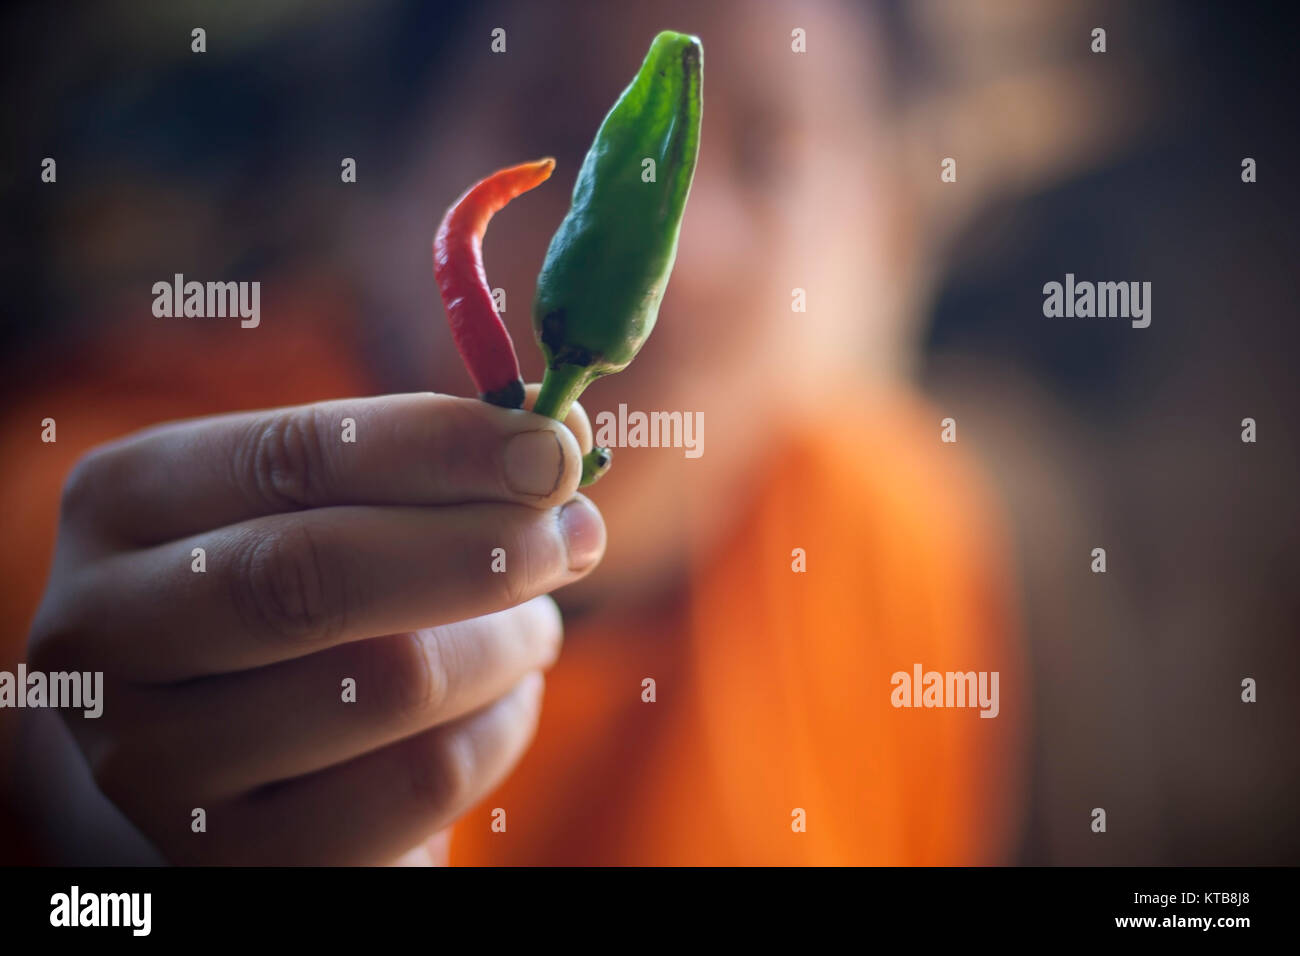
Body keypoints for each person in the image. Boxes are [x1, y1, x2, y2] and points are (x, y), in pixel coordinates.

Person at [5, 0, 1024, 864]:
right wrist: (123, 809)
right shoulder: (128, 462)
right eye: (570, 129)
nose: (688, 257)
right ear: (386, 190)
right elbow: (60, 673)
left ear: (889, 241)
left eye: (775, 160)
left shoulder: (894, 538)